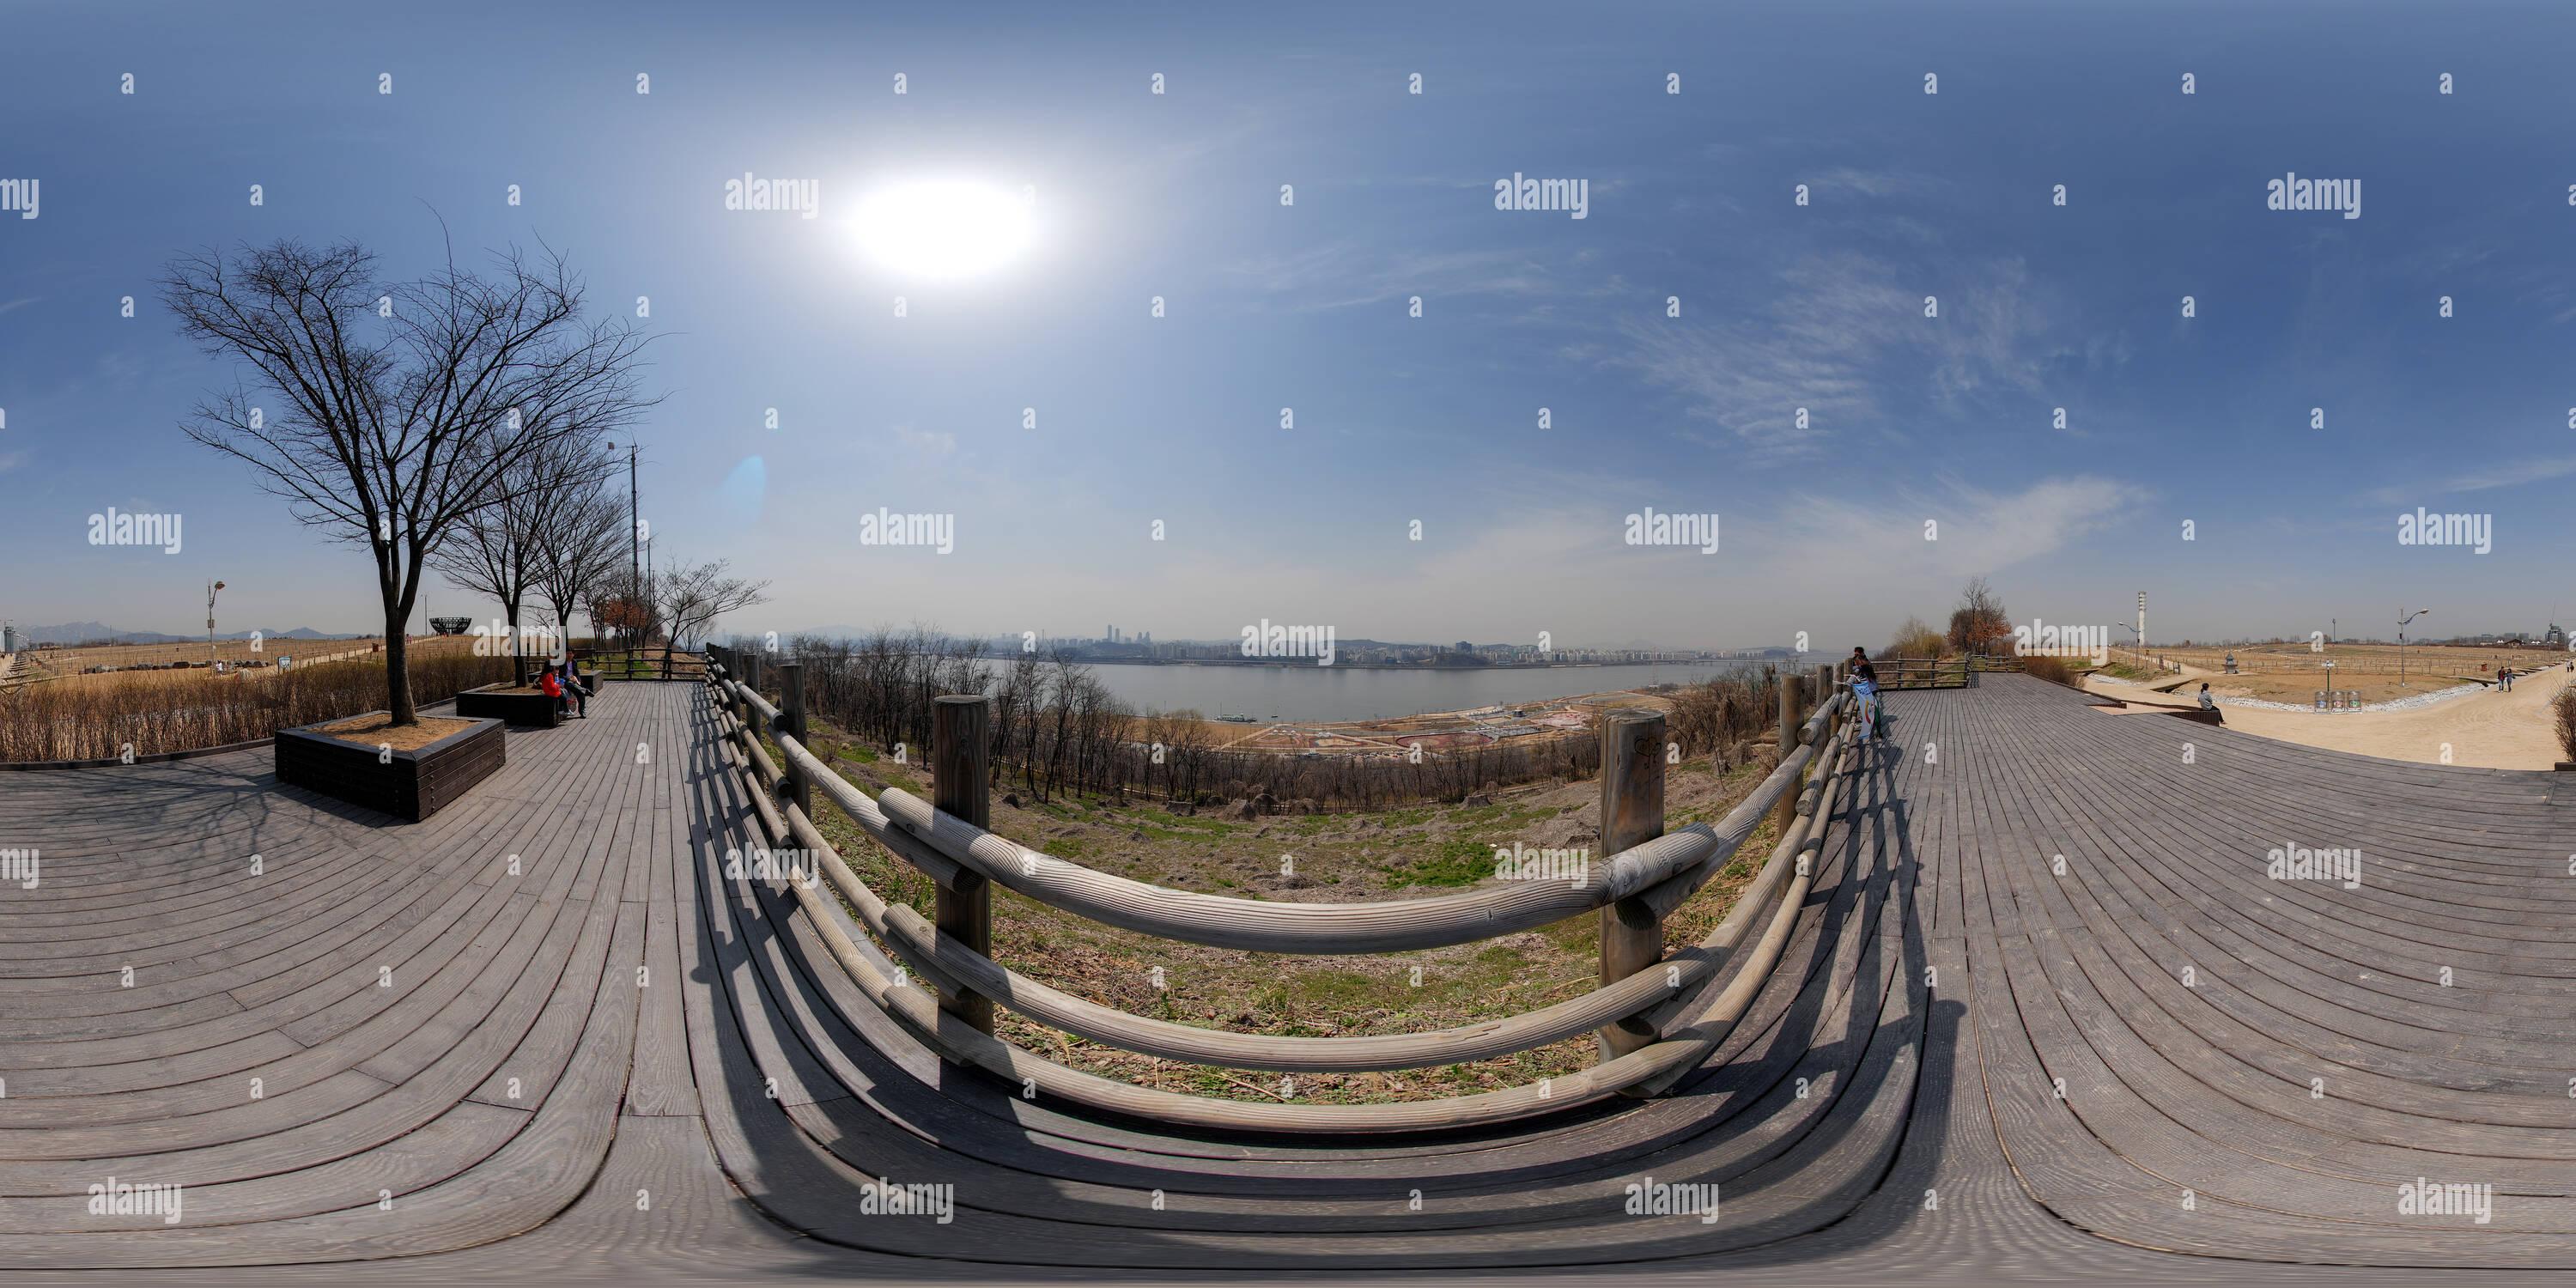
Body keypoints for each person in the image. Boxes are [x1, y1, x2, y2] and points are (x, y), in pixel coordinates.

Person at [1849, 647, 1881, 738]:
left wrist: (1853, 661)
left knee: (1869, 706)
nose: (1856, 656)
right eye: (1855, 654)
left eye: (1857, 654)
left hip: (1868, 688)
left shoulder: (1863, 664)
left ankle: (1870, 723)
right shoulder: (1865, 662)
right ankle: (1873, 723)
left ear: (1862, 654)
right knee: (1872, 705)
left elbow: (1855, 668)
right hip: (1872, 687)